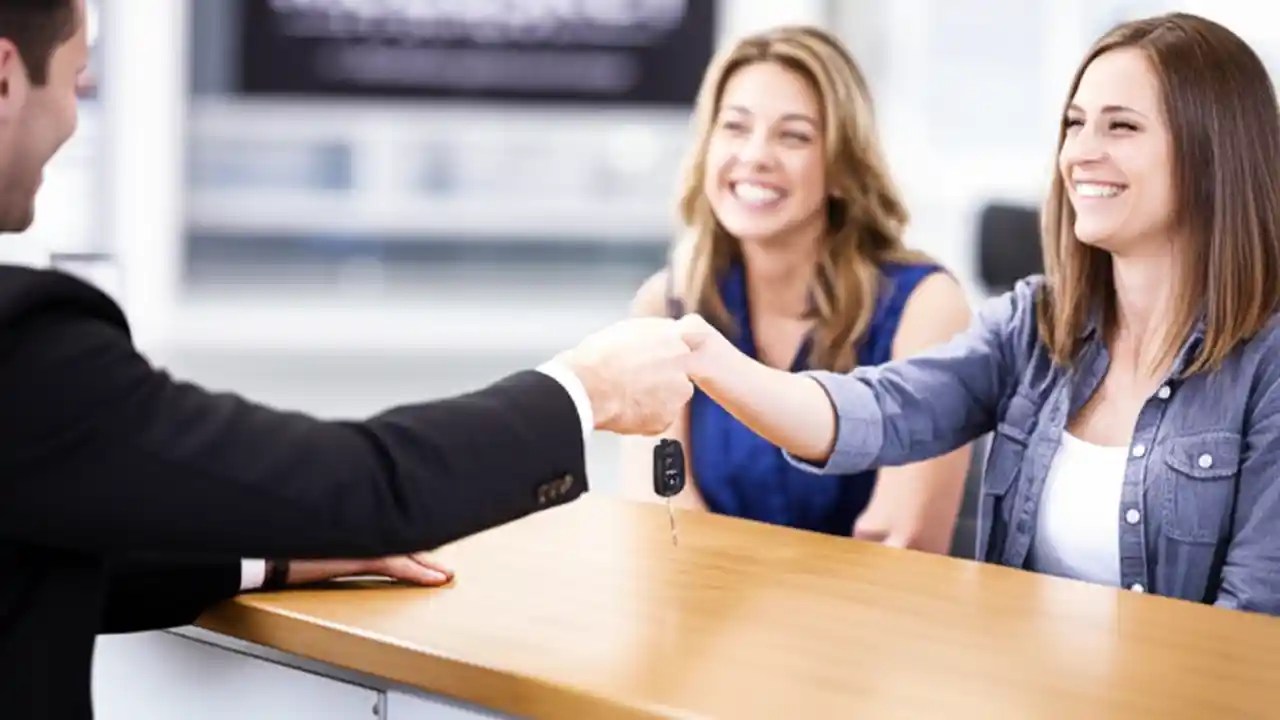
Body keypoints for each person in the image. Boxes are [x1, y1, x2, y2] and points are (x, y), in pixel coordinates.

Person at [0, 2, 693, 717]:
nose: (74, 119)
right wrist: (586, 389)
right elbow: (361, 481)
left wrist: (277, 554)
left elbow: (41, 561)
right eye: (77, 80)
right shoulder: (23, 342)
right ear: (5, 78)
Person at [677, 13, 1280, 614]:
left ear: (1212, 152)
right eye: (1074, 124)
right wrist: (708, 358)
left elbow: (1254, 622)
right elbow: (877, 411)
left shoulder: (1266, 363)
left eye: (1121, 127)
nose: (1080, 153)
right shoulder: (1035, 326)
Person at [623, 26, 971, 551]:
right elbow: (659, 522)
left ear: (840, 167)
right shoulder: (665, 307)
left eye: (794, 136)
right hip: (705, 622)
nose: (756, 155)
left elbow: (903, 540)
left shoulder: (926, 308)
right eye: (735, 127)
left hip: (863, 624)